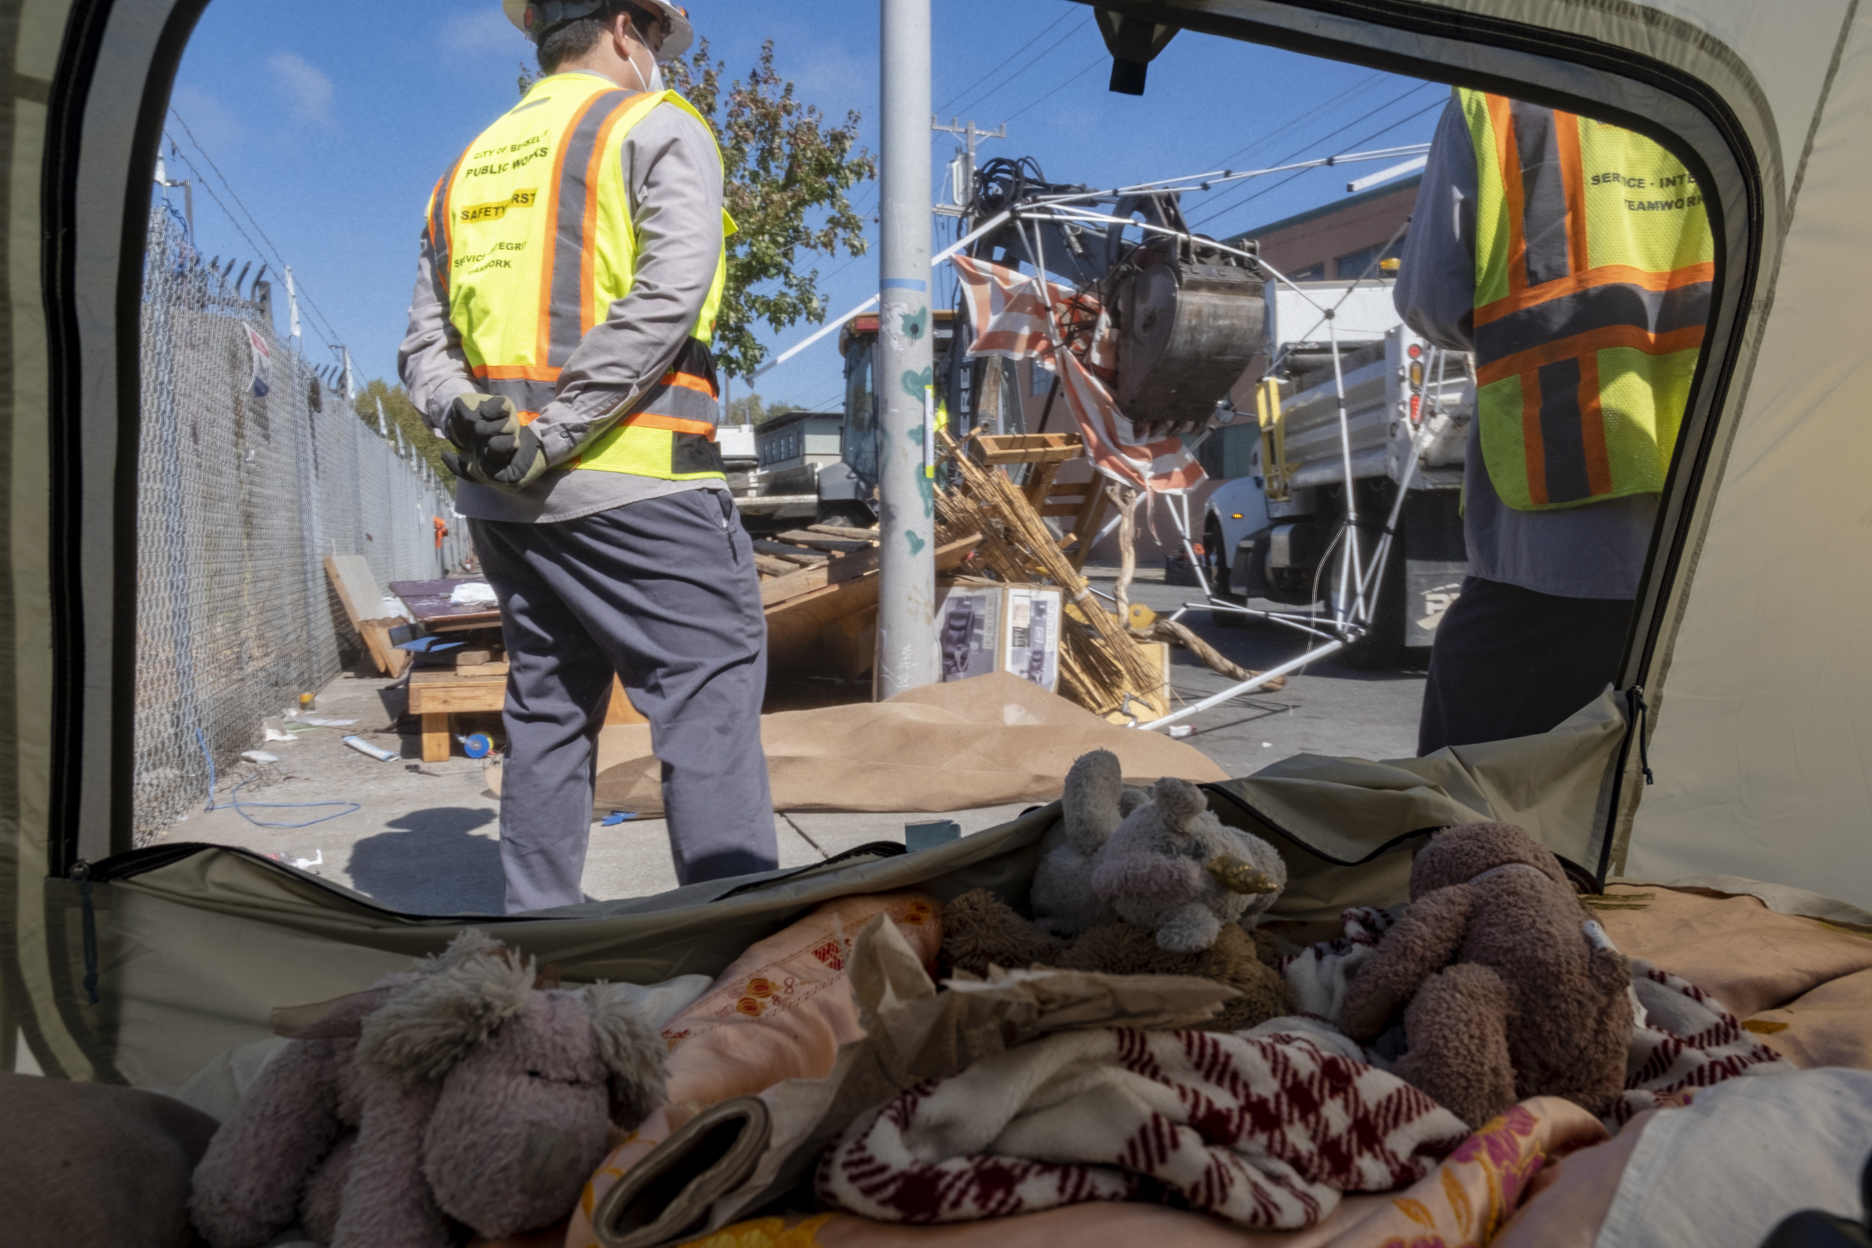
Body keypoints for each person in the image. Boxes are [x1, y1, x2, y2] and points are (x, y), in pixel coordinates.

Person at [399, 0, 775, 911]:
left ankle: (539, 947)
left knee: (548, 714)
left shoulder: (466, 168)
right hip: (639, 484)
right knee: (706, 708)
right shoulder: (654, 126)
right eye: (654, 40)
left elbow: (422, 349)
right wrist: (555, 434)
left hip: (507, 508)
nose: (658, 60)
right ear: (621, 27)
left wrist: (478, 426)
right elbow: (669, 295)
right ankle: (735, 961)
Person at [1395, 89, 1712, 756]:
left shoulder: (1500, 99)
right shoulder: (1778, 86)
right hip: (1728, 512)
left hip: (1556, 520)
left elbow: (1432, 297)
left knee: (1475, 814)